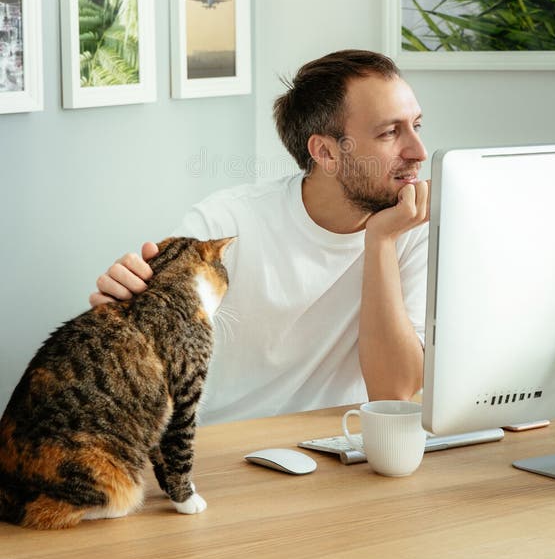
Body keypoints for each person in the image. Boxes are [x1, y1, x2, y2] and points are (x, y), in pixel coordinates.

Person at [90, 50, 430, 425]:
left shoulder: (409, 227)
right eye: (389, 133)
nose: (418, 152)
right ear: (326, 153)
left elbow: (395, 392)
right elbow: (140, 351)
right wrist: (119, 305)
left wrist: (380, 242)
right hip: (227, 448)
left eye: (417, 125)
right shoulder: (226, 223)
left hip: (344, 442)